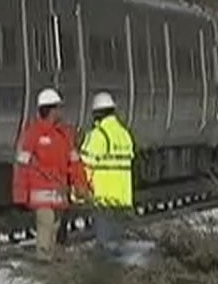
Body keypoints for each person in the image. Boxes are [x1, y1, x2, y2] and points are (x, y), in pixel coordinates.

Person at [13, 87, 90, 261]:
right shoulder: (33, 134)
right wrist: (20, 195)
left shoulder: (64, 135)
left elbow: (74, 163)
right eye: (57, 108)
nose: (60, 112)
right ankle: (43, 261)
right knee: (45, 227)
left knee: (55, 229)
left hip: (59, 194)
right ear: (50, 110)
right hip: (42, 196)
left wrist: (80, 185)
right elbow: (23, 165)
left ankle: (51, 262)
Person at [80, 91, 136, 255]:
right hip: (123, 200)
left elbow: (86, 166)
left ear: (96, 114)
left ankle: (107, 277)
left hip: (104, 201)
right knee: (118, 246)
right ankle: (118, 277)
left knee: (105, 247)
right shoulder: (125, 135)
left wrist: (80, 194)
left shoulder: (97, 135)